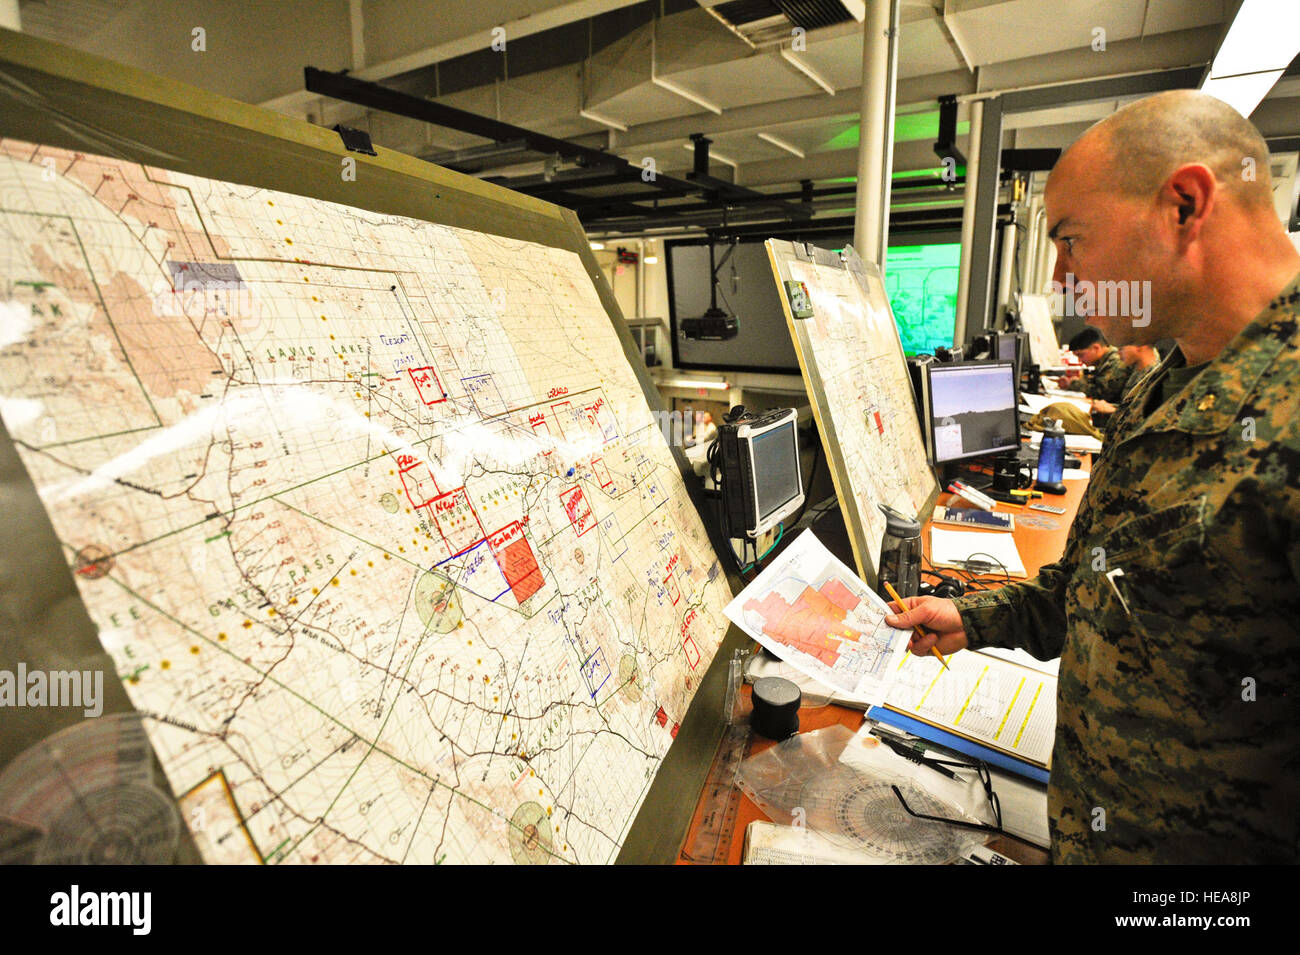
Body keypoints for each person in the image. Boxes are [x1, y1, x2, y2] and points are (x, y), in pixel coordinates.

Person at [887, 89, 1300, 863]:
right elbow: (1095, 587)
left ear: (1185, 204)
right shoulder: (1165, 380)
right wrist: (973, 619)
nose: (1061, 274)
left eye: (1072, 238)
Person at [1058, 327, 1128, 404]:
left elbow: (1102, 394)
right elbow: (1096, 382)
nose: (1080, 360)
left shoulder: (1115, 361)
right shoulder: (1104, 361)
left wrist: (1073, 384)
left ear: (1096, 348)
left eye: (1081, 355)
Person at [1090, 343, 1160, 416]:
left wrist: (1113, 410)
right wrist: (1110, 407)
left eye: (1121, 349)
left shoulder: (1154, 376)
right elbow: (1129, 406)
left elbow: (1145, 416)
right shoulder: (1137, 370)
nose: (1118, 353)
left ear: (1139, 345)